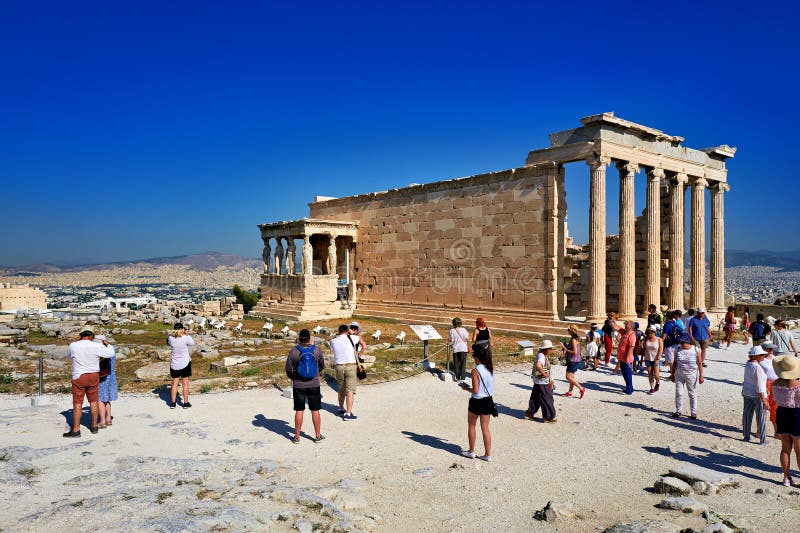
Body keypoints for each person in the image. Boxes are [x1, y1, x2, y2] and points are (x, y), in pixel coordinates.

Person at [63, 328, 112, 437]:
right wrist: (107, 344)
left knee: (77, 403)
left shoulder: (73, 345)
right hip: (94, 375)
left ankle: (76, 430)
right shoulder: (96, 346)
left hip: (79, 375)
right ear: (91, 337)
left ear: (81, 336)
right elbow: (110, 354)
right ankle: (94, 426)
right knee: (93, 402)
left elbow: (68, 356)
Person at [285, 329, 326, 443]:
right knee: (315, 410)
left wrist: (295, 378)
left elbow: (288, 369)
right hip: (314, 384)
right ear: (309, 338)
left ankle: (297, 437)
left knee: (299, 410)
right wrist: (315, 374)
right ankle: (317, 436)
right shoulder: (317, 350)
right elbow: (322, 365)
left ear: (299, 339)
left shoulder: (293, 351)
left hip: (298, 385)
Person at [459, 341, 494, 461]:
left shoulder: (475, 371)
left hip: (477, 401)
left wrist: (465, 388)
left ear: (476, 357)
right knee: (485, 428)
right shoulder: (490, 367)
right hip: (488, 400)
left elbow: (475, 390)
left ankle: (471, 451)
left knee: (472, 426)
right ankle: (488, 454)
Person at [770, 354, 800, 486]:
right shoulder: (797, 384)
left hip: (781, 414)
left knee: (785, 449)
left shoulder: (775, 383)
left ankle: (786, 478)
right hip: (796, 415)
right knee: (799, 452)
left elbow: (776, 400)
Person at [330, 324, 361, 420]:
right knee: (350, 391)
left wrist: (336, 335)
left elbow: (330, 339)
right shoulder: (353, 338)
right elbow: (359, 338)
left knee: (341, 389)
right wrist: (351, 333)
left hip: (339, 366)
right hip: (350, 366)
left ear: (339, 331)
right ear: (347, 331)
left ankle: (341, 408)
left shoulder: (333, 341)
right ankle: (348, 413)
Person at [670, 333, 704, 419]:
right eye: (680, 342)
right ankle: (678, 411)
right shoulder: (677, 349)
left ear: (688, 341)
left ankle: (693, 412)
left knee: (692, 393)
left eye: (682, 342)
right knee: (679, 393)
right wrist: (672, 374)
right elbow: (674, 363)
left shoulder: (696, 350)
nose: (681, 344)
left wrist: (701, 375)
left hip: (691, 375)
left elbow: (700, 363)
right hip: (679, 374)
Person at [742, 346, 769, 445]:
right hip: (757, 395)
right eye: (762, 355)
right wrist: (764, 400)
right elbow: (760, 385)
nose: (764, 356)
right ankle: (763, 439)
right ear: (756, 356)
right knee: (761, 416)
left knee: (747, 415)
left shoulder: (748, 363)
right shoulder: (757, 367)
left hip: (747, 392)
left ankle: (746, 436)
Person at [525, 340, 557, 423]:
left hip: (538, 381)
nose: (550, 350)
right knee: (547, 398)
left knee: (536, 398)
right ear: (546, 349)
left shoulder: (540, 354)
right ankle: (548, 417)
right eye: (550, 348)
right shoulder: (542, 356)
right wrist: (545, 375)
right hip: (542, 382)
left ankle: (529, 413)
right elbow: (539, 366)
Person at [167, 323, 195, 409]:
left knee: (174, 383)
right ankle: (185, 403)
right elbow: (192, 343)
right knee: (185, 383)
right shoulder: (185, 338)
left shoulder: (170, 338)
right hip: (185, 363)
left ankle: (173, 403)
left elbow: (168, 343)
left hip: (174, 364)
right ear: (182, 329)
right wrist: (187, 333)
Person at [95, 335, 117, 429]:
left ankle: (102, 421)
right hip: (111, 376)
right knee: (107, 399)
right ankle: (108, 419)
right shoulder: (111, 349)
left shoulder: (102, 352)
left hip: (103, 377)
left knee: (100, 400)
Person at [761, 342, 781, 437]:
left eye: (772, 349)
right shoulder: (760, 360)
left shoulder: (775, 358)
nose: (771, 351)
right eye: (769, 349)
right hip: (765, 385)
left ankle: (777, 432)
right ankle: (760, 430)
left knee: (775, 408)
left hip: (776, 384)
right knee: (763, 407)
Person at [561, 325, 585, 398]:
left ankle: (581, 389)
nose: (567, 331)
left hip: (573, 360)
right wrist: (566, 345)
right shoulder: (575, 338)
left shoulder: (574, 340)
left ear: (571, 331)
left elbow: (574, 351)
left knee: (568, 377)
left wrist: (565, 348)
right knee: (572, 377)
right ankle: (570, 392)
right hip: (576, 360)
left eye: (568, 330)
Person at [615, 320, 637, 395]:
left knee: (627, 373)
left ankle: (629, 389)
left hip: (627, 358)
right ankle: (629, 387)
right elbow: (616, 328)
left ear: (631, 326)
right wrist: (611, 321)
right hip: (622, 357)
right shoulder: (625, 332)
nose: (625, 325)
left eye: (626, 324)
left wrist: (628, 358)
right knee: (624, 373)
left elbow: (631, 347)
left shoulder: (632, 335)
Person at [642, 326, 664, 394]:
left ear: (655, 332)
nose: (650, 334)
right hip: (648, 358)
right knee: (650, 374)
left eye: (651, 333)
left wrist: (658, 358)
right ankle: (652, 387)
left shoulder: (659, 339)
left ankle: (657, 382)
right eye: (648, 332)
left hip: (656, 359)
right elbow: (645, 348)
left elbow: (661, 350)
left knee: (656, 375)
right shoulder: (646, 339)